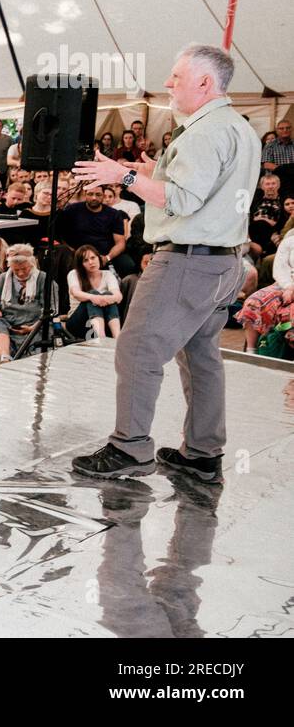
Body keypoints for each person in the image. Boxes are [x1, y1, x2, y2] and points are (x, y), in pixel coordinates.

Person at [71, 44, 260, 481]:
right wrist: (156, 172)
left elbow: (181, 200)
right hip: (225, 262)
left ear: (205, 83)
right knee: (200, 356)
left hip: (189, 263)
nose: (168, 84)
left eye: (177, 76)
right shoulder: (237, 127)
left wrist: (125, 177)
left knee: (137, 349)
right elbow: (206, 189)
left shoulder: (204, 132)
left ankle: (129, 447)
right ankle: (202, 452)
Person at [0, 243, 58, 367]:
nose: (20, 273)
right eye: (16, 270)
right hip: (7, 327)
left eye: (24, 269)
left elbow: (52, 310)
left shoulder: (44, 279)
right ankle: (4, 356)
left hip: (34, 326)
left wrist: (33, 328)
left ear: (32, 264)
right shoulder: (4, 278)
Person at [237, 228, 294, 352]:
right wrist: (289, 286)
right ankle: (252, 352)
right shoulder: (289, 241)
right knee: (254, 302)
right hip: (284, 284)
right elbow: (279, 268)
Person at [66, 244, 123, 339]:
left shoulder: (107, 274)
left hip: (105, 322)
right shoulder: (74, 274)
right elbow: (76, 293)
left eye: (93, 258)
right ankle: (101, 338)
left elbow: (118, 296)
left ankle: (117, 338)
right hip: (79, 323)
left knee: (109, 294)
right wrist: (94, 297)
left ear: (99, 258)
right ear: (81, 264)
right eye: (86, 260)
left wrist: (105, 298)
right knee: (93, 293)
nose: (91, 262)